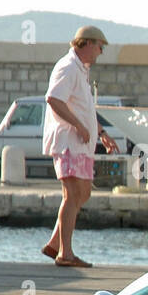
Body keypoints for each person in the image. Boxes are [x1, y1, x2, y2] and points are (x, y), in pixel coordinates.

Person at [41, 25, 118, 267]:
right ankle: (65, 253)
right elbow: (54, 99)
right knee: (73, 194)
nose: (101, 52)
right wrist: (78, 126)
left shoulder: (80, 70)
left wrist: (101, 132)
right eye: (99, 46)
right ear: (86, 43)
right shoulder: (67, 67)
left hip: (80, 144)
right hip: (68, 143)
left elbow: (84, 108)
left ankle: (55, 243)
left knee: (83, 193)